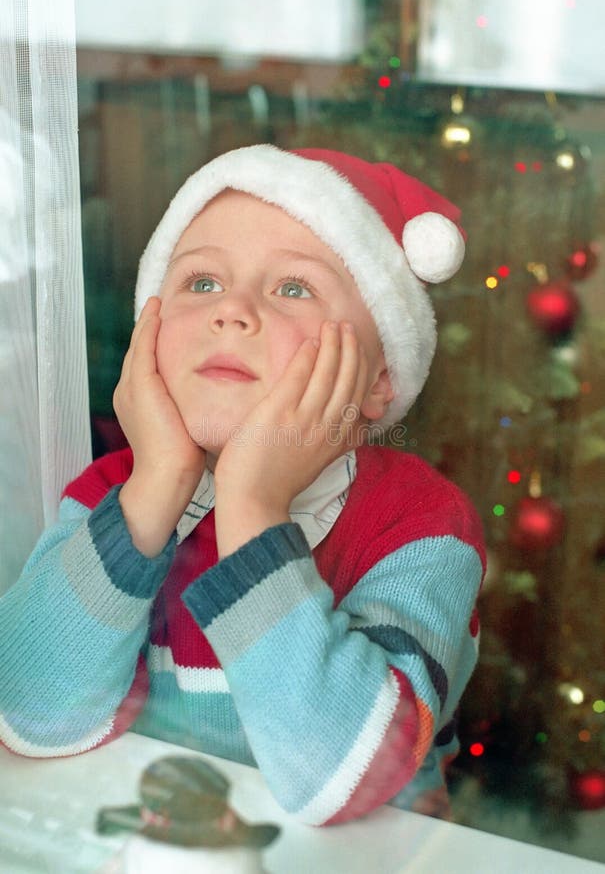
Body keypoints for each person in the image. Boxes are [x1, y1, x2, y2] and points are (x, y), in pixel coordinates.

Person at [0, 145, 485, 825]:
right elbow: (29, 713)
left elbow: (343, 778)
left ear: (380, 380)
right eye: (201, 283)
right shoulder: (113, 493)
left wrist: (253, 507)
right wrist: (159, 482)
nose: (232, 311)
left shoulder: (417, 523)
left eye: (293, 288)